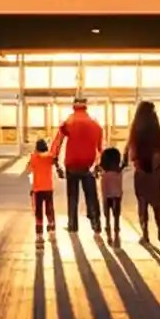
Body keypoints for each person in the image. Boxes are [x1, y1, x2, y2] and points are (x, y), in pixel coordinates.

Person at [50, 97, 104, 234]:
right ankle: (96, 223)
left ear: (74, 106)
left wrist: (55, 160)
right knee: (91, 195)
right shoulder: (94, 123)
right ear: (86, 106)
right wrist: (99, 164)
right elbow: (100, 147)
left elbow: (58, 141)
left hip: (72, 164)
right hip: (88, 165)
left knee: (72, 196)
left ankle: (72, 225)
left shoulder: (68, 121)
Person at [124, 100, 160, 244]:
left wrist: (125, 162)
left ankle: (145, 234)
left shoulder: (136, 128)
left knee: (142, 203)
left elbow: (130, 146)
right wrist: (159, 168)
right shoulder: (156, 128)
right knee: (156, 202)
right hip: (155, 172)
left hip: (141, 170)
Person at [27, 138, 57, 243]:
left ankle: (39, 235)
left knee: (38, 212)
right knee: (49, 210)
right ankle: (52, 231)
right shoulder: (50, 157)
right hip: (48, 188)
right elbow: (53, 158)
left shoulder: (34, 157)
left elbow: (29, 170)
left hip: (38, 189)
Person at [98, 146, 124, 245]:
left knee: (107, 213)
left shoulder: (103, 173)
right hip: (117, 195)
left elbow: (95, 171)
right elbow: (124, 164)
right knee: (116, 214)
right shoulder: (119, 171)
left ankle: (108, 230)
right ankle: (116, 233)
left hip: (107, 196)